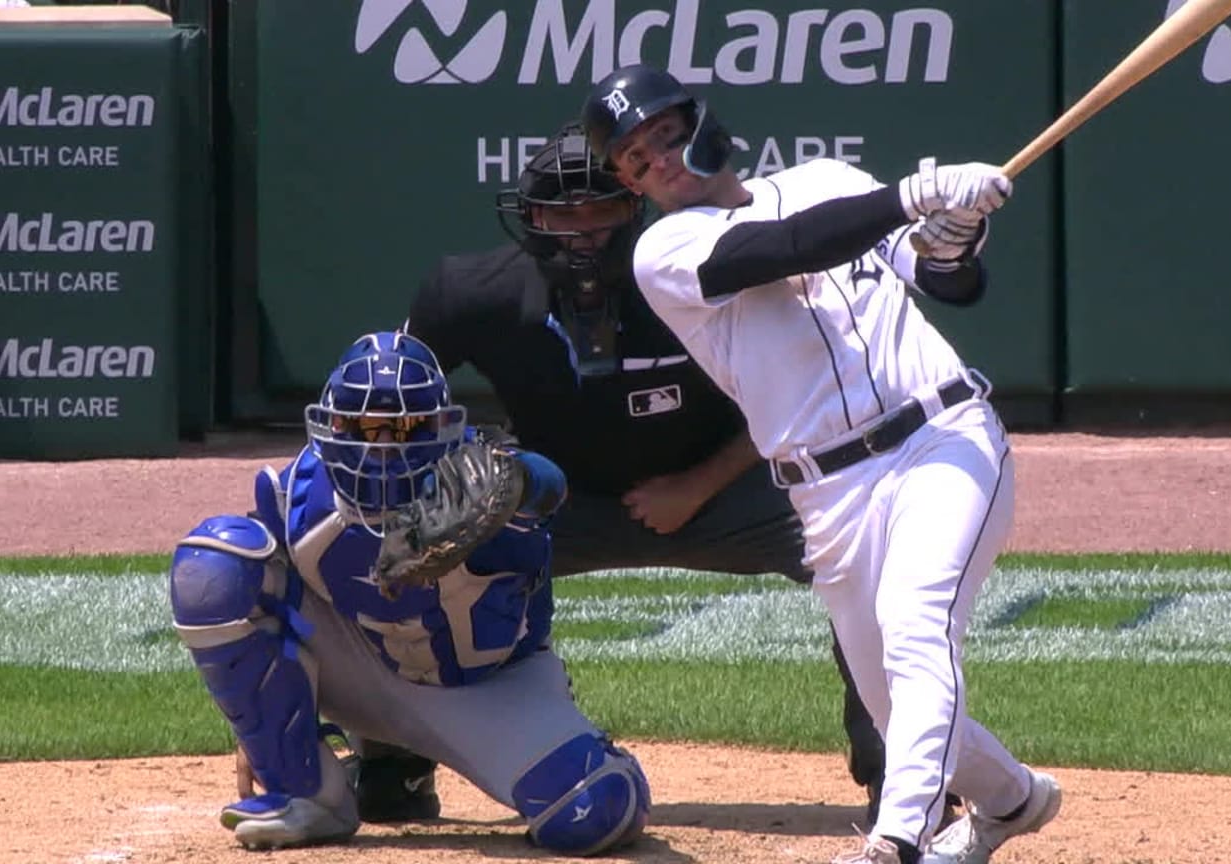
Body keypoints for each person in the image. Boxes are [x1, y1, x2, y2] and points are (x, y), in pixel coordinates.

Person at [347, 123, 903, 829]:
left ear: (633, 208)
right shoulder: (470, 291)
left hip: (727, 490)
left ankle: (902, 780)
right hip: (554, 500)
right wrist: (476, 482)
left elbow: (795, 398)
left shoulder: (694, 271)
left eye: (601, 209)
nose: (582, 231)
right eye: (561, 214)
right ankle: (391, 765)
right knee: (405, 552)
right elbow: (389, 403)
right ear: (530, 219)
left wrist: (698, 486)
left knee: (868, 557)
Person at [577, 64, 1062, 864]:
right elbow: (779, 249)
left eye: (661, 135)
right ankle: (1013, 801)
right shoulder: (664, 250)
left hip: (942, 439)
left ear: (700, 120)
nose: (655, 160)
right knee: (888, 699)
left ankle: (898, 840)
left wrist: (954, 234)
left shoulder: (827, 180)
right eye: (634, 160)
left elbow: (950, 282)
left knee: (916, 634)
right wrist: (913, 197)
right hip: (827, 493)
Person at [165, 330, 650, 855]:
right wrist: (263, 722)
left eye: (405, 428)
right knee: (214, 562)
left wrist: (516, 478)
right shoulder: (302, 491)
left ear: (441, 428)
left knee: (596, 811)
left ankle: (403, 765)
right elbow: (253, 599)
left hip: (488, 689)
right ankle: (308, 791)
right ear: (331, 427)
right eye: (368, 427)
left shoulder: (483, 491)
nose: (383, 447)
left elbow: (548, 488)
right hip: (363, 664)